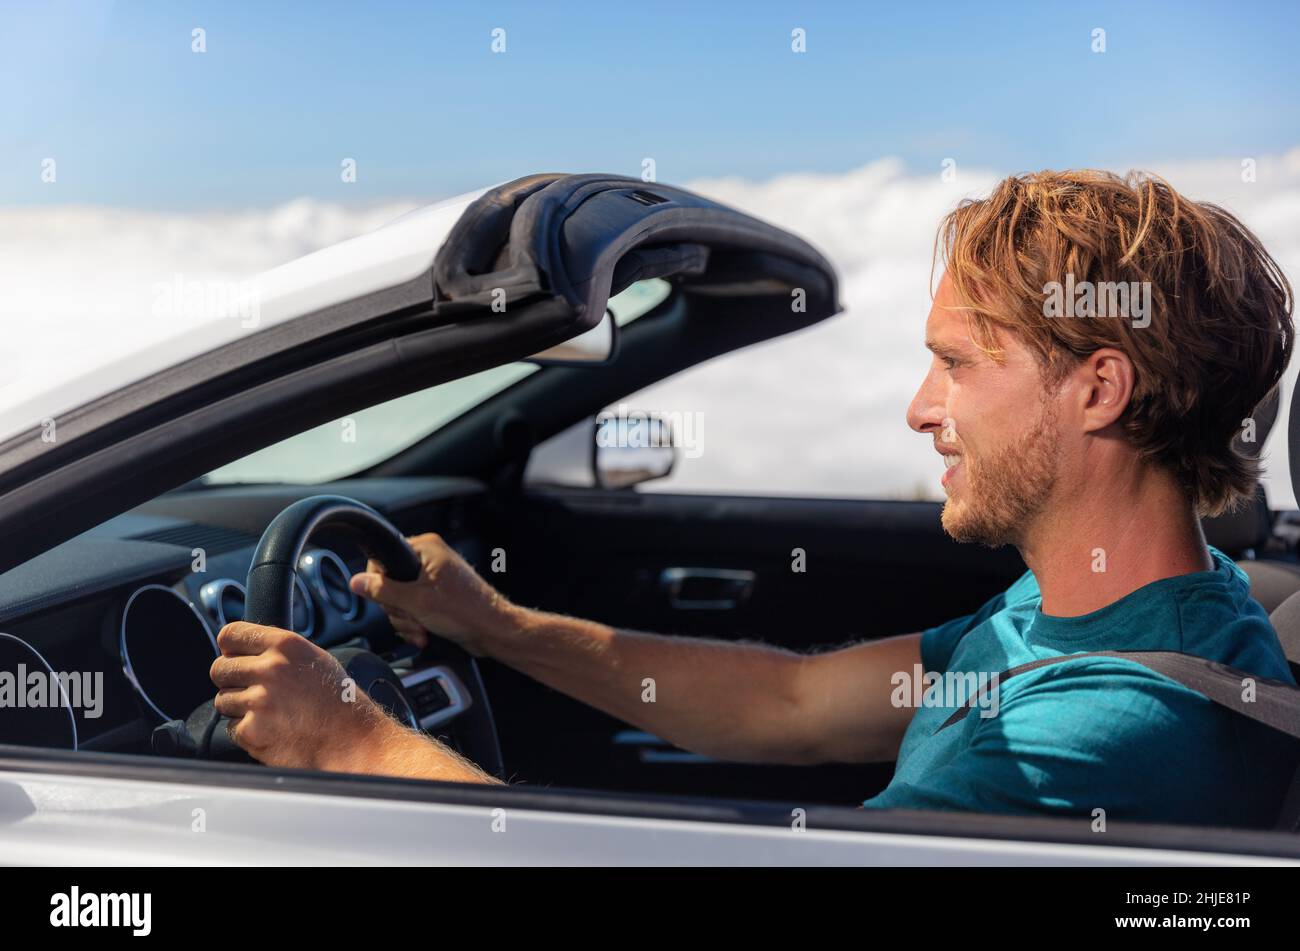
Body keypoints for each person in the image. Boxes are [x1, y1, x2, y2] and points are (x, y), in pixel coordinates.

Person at [210, 169, 1298, 827]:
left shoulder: (1108, 728)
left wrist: (352, 745)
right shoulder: (1090, 614)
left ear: (1098, 388)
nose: (921, 410)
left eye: (961, 364)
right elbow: (789, 704)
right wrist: (493, 625)